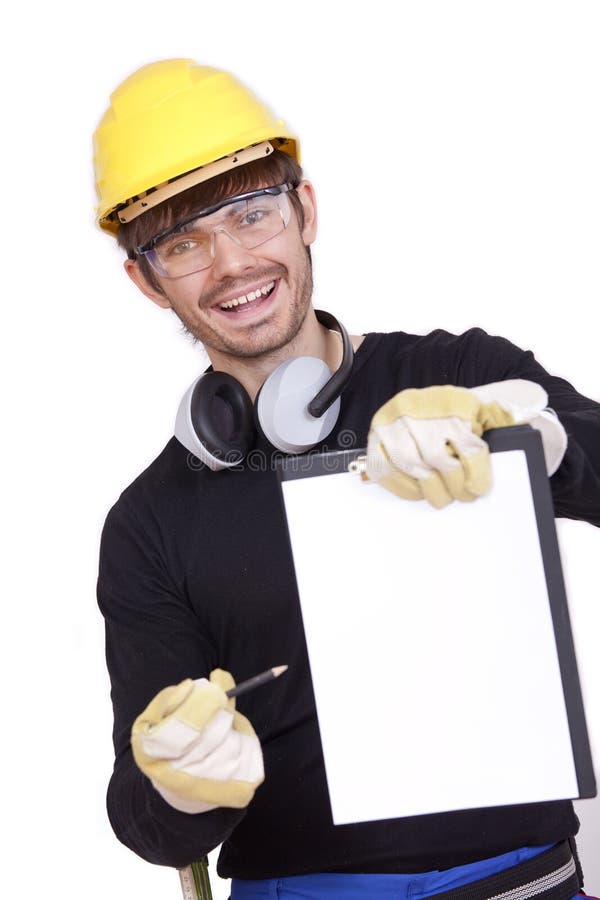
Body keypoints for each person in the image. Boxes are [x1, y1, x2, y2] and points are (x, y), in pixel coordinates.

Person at [95, 58, 599, 900]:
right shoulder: (149, 524)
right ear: (147, 280)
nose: (231, 263)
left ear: (306, 211)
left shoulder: (462, 374)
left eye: (252, 214)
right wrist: (179, 786)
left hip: (527, 881)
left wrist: (535, 441)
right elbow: (143, 817)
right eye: (184, 244)